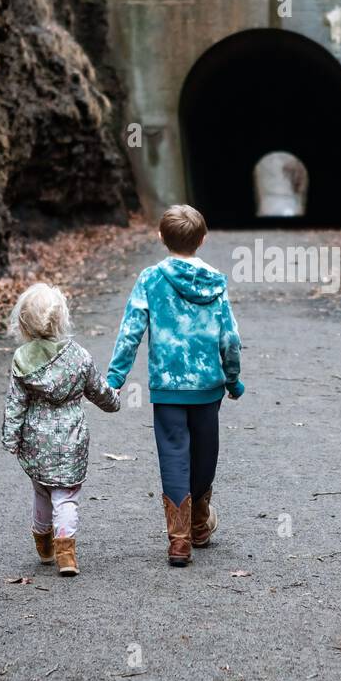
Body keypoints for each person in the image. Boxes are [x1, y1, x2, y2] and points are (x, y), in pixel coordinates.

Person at [107, 204, 244, 566]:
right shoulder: (216, 281)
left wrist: (115, 378)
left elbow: (130, 332)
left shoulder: (151, 279)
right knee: (205, 452)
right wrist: (233, 378)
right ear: (202, 239)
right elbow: (230, 338)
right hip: (207, 387)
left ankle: (179, 541)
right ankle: (199, 523)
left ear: (160, 237)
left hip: (167, 387)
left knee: (172, 454)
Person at [2, 283, 119, 576]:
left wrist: (11, 436)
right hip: (71, 440)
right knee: (65, 495)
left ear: (24, 323)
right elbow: (98, 390)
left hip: (35, 440)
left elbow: (15, 403)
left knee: (42, 491)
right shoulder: (78, 356)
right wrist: (113, 401)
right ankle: (66, 555)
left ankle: (44, 546)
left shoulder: (22, 360)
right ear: (61, 319)